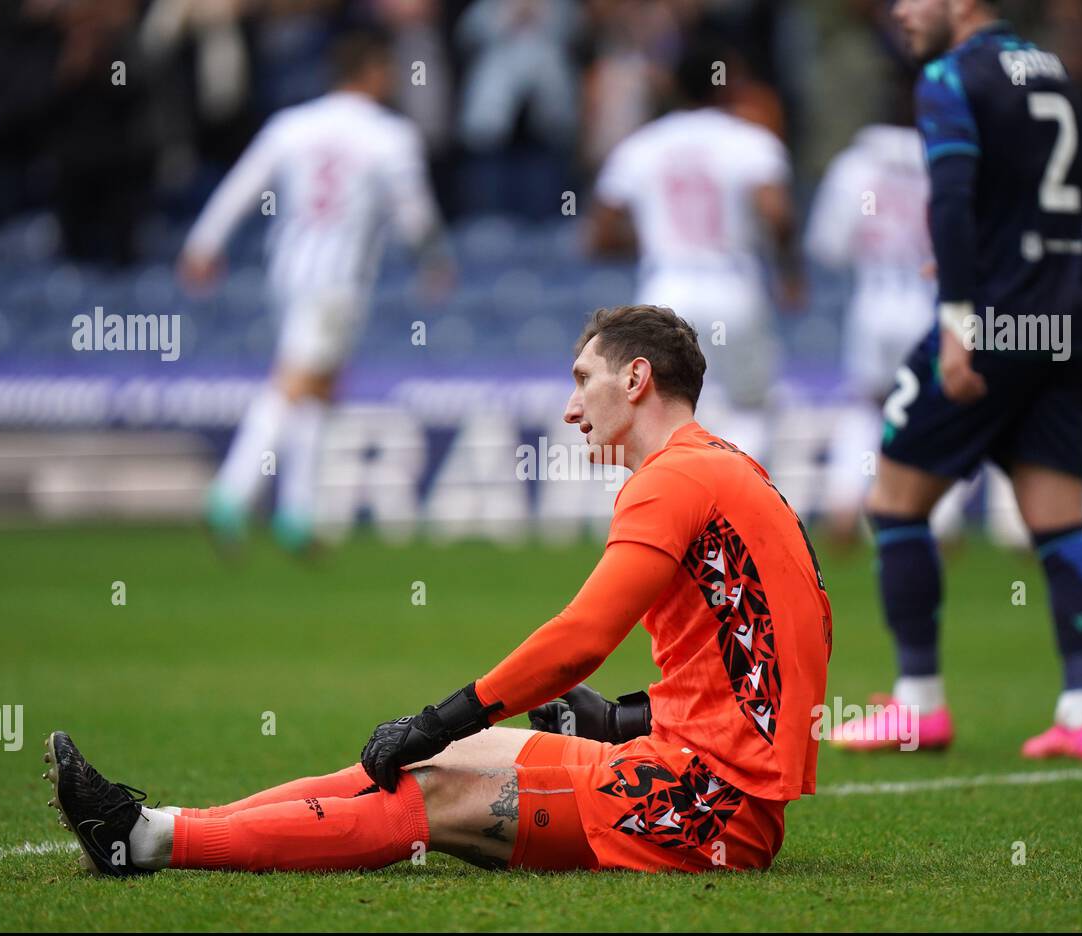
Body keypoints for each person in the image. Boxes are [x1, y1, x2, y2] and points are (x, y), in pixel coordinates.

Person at [43, 305, 831, 877]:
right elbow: (778, 659)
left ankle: (148, 844)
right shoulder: (734, 471)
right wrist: (623, 718)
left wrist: (436, 719)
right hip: (713, 784)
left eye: (582, 379)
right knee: (454, 758)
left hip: (705, 807)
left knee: (441, 781)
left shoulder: (671, 481)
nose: (568, 407)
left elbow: (580, 639)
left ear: (636, 377)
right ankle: (156, 822)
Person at [839, 0, 1082, 758]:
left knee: (893, 502)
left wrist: (960, 316)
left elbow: (951, 200)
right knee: (1057, 519)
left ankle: (919, 703)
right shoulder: (1056, 70)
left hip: (990, 324)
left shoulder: (950, 76)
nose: (899, 10)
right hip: (1064, 321)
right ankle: (1081, 714)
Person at [179, 26, 452, 553]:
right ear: (372, 72)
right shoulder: (389, 135)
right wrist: (433, 258)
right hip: (337, 280)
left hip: (287, 270)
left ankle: (296, 515)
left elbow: (242, 185)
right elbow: (414, 211)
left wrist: (203, 243)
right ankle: (229, 496)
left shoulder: (292, 125)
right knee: (297, 382)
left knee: (320, 387)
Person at [587, 39, 798, 464]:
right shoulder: (749, 141)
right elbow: (777, 215)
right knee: (749, 406)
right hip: (733, 286)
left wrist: (652, 240)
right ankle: (737, 512)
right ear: (725, 84)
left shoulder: (641, 145)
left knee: (660, 419)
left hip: (665, 289)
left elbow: (599, 236)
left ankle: (672, 516)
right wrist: (791, 273)